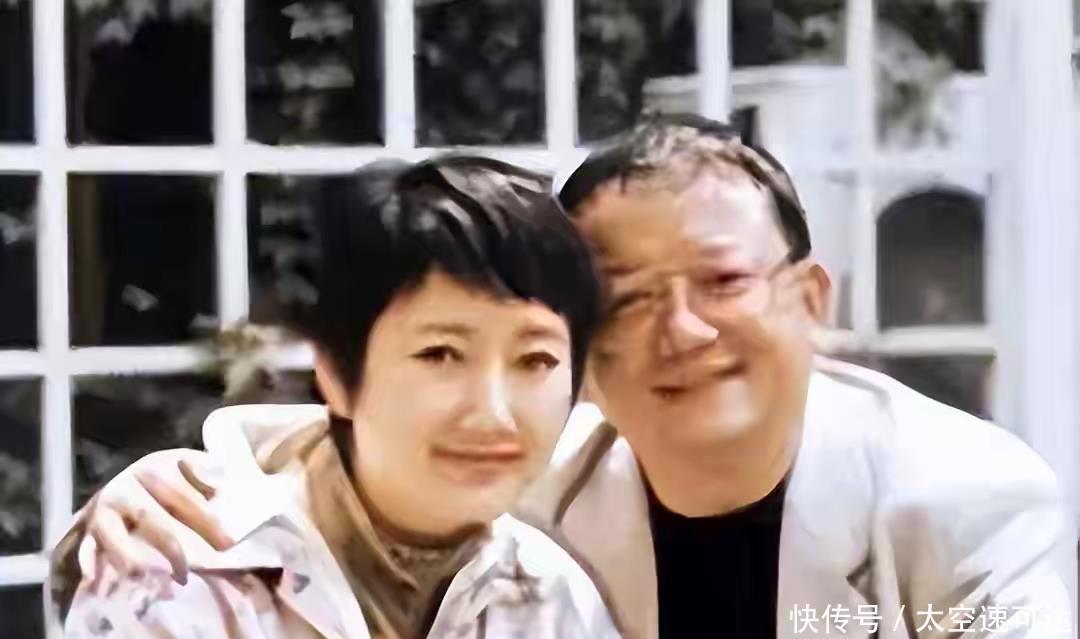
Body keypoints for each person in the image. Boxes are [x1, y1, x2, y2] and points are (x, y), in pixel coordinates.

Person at [53, 115, 1070, 638]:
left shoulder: (961, 503)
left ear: (810, 298)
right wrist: (173, 492)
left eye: (722, 281)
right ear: (590, 360)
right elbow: (364, 452)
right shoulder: (536, 480)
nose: (683, 330)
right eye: (629, 297)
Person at [54, 155, 619, 638]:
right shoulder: (178, 572)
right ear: (336, 375)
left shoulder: (550, 592)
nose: (493, 413)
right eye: (440, 354)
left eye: (536, 360)